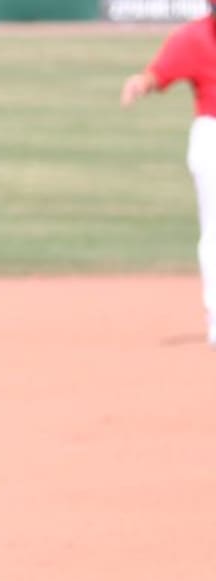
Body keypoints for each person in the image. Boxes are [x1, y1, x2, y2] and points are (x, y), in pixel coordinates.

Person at [122, 2, 216, 346]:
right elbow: (159, 74)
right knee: (215, 230)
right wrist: (140, 83)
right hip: (212, 135)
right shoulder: (194, 37)